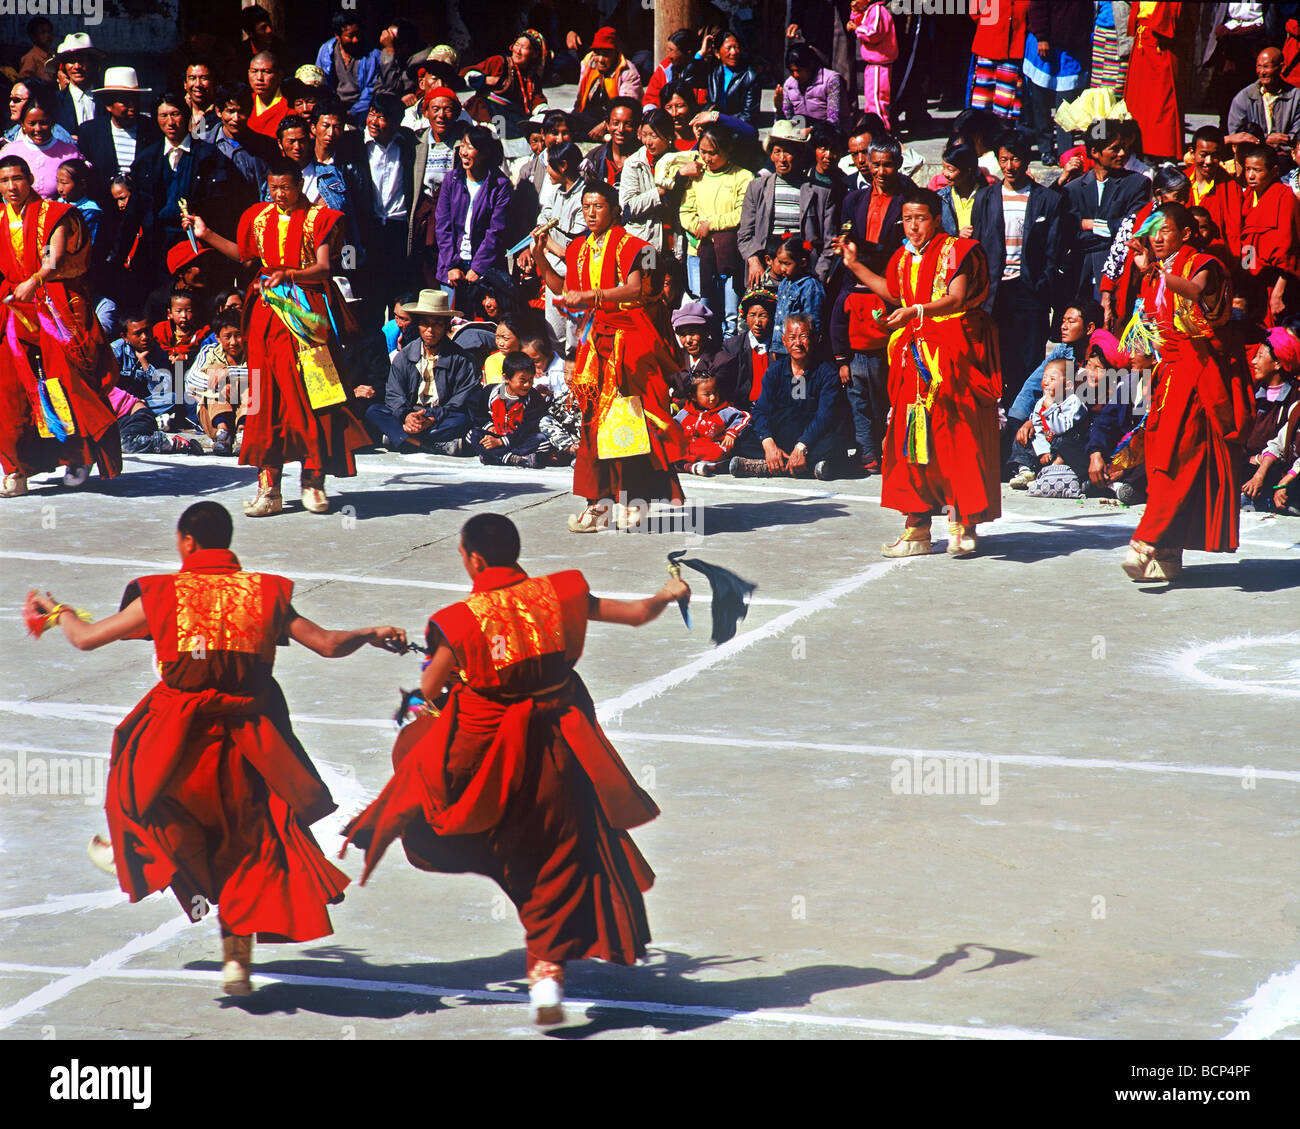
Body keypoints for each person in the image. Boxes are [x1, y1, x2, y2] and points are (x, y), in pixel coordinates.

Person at [24, 501, 407, 995]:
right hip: (251, 745)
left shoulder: (164, 593)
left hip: (177, 743)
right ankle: (236, 962)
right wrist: (372, 633)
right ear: (228, 541)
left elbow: (88, 639)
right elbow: (329, 644)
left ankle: (140, 855)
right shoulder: (263, 593)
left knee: (138, 793)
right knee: (249, 847)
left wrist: (59, 614)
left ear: (186, 541)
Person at [341, 513, 685, 1025]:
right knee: (560, 854)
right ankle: (547, 974)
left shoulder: (457, 620)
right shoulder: (561, 592)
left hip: (491, 765)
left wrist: (416, 706)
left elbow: (429, 694)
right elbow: (636, 614)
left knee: (502, 845)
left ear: (473, 558)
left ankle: (542, 966)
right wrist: (666, 593)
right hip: (562, 751)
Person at [184, 157, 370, 517]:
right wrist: (206, 234)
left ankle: (313, 480)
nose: (279, 194)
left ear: (300, 185)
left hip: (306, 316)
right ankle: (269, 487)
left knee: (313, 397)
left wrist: (290, 274)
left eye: (285, 187)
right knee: (268, 399)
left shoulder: (319, 218)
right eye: (273, 188)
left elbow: (324, 267)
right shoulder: (258, 217)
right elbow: (246, 258)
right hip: (268, 315)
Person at [839, 187, 1003, 557]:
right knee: (911, 437)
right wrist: (854, 265)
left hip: (951, 357)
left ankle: (962, 521)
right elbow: (895, 293)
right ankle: (917, 527)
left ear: (937, 218)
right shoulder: (902, 257)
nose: (913, 226)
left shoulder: (957, 251)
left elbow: (957, 299)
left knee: (954, 435)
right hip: (913, 358)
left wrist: (917, 313)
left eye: (921, 218)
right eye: (908, 219)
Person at [532, 179, 687, 532]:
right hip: (594, 345)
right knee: (592, 423)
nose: (590, 213)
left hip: (630, 341)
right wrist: (541, 253)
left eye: (598, 206)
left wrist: (589, 297)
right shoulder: (579, 248)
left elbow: (634, 288)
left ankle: (635, 500)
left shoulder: (636, 246)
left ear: (615, 210)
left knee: (631, 420)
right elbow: (564, 288)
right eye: (585, 206)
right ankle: (597, 504)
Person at [1121, 203, 1250, 581]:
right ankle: (1170, 553)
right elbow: (1151, 326)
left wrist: (1158, 272)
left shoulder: (1204, 265)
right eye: (1152, 231)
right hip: (1170, 376)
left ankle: (1147, 540)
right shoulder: (1155, 274)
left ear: (1186, 233)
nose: (1156, 239)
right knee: (1164, 458)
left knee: (1182, 458)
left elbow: (1193, 293)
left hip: (1201, 375)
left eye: (1165, 231)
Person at [0, 155, 122, 498]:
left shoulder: (54, 213)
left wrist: (35, 280)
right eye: (4, 180)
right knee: (9, 392)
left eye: (17, 178)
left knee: (63, 386)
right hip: (13, 310)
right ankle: (15, 470)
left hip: (54, 310)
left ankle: (77, 456)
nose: (11, 187)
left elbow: (54, 260)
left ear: (30, 181)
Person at [972, 128, 1063, 415]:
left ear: (1026, 161)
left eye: (1015, 159)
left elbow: (1054, 249)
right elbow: (976, 245)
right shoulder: (985, 198)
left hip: (1029, 291)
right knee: (996, 356)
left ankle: (1022, 420)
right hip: (994, 292)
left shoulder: (1047, 200)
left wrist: (1043, 285)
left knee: (1028, 360)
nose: (1010, 166)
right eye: (1004, 159)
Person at [729, 312, 846, 480]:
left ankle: (770, 466)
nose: (798, 343)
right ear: (784, 341)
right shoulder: (775, 370)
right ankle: (807, 467)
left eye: (803, 337)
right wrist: (768, 444)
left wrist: (801, 447)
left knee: (836, 440)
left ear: (814, 338)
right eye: (792, 337)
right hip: (783, 436)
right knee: (744, 440)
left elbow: (824, 416)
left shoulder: (826, 372)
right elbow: (760, 410)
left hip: (810, 439)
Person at [366, 289, 479, 455]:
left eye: (437, 324)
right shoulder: (404, 356)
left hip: (439, 417)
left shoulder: (462, 359)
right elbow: (393, 395)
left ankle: (401, 439)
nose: (430, 330)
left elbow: (461, 400)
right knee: (374, 411)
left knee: (463, 420)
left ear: (446, 325)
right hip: (410, 414)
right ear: (417, 324)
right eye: (425, 323)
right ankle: (428, 444)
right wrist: (406, 416)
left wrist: (431, 417)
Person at [738, 119, 838, 290]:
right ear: (771, 155)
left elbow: (830, 243)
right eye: (777, 152)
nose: (782, 159)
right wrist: (754, 260)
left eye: (788, 152)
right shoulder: (757, 187)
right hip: (765, 271)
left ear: (799, 154)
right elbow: (744, 235)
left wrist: (817, 278)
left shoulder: (821, 192)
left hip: (806, 273)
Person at [1059, 119, 1152, 302]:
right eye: (1115, 149)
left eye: (1124, 147)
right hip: (1080, 273)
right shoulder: (1074, 189)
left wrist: (1089, 224)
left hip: (1118, 273)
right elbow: (1070, 232)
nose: (1123, 153)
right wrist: (1110, 231)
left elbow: (1130, 227)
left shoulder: (1137, 184)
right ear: (1095, 152)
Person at [679, 124, 753, 340]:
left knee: (731, 313)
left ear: (728, 150)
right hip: (698, 252)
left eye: (713, 153)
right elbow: (685, 211)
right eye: (703, 152)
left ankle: (730, 360)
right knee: (704, 308)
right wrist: (698, 230)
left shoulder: (743, 176)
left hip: (729, 253)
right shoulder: (697, 174)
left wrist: (710, 224)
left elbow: (741, 213)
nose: (707, 158)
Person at [433, 125, 512, 314]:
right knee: (452, 324)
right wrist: (451, 265)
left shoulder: (500, 185)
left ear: (484, 153)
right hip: (452, 266)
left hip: (485, 267)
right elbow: (442, 226)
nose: (464, 152)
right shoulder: (451, 180)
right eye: (463, 145)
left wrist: (478, 268)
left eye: (470, 147)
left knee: (483, 324)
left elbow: (496, 231)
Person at [75, 68, 161, 207]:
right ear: (109, 105)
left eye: (135, 100)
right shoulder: (90, 132)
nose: (132, 107)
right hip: (104, 208)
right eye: (125, 102)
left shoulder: (151, 129)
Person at [1021, 1, 1090, 165]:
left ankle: (1065, 152)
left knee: (1066, 106)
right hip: (1045, 48)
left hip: (1072, 50)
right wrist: (1041, 36)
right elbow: (1037, 8)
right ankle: (1045, 148)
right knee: (1040, 103)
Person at [1006, 357, 1089, 491]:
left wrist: (1050, 408)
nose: (1046, 382)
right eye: (1044, 377)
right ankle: (1025, 471)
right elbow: (1037, 427)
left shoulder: (1073, 402)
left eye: (1052, 379)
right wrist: (1042, 450)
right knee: (1023, 435)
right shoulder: (1042, 401)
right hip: (1045, 445)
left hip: (1061, 448)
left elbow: (1061, 428)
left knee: (1065, 439)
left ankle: (1051, 473)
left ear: (1067, 385)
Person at [1240, 144, 1300, 326]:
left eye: (1257, 170)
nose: (1251, 176)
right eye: (1248, 169)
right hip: (1255, 282)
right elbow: (1247, 241)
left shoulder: (1284, 197)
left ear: (1274, 171)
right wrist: (1245, 277)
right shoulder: (1249, 197)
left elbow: (1289, 250)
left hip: (1279, 284)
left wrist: (1278, 293)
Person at [468, 351, 553, 468]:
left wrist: (501, 442)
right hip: (495, 434)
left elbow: (526, 427)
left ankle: (494, 456)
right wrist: (489, 426)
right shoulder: (494, 392)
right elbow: (476, 409)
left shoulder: (533, 398)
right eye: (522, 380)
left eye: (531, 380)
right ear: (506, 378)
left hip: (518, 438)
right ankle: (511, 458)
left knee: (542, 441)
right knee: (473, 434)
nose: (527, 385)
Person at [1124, 1, 1183, 162]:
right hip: (1143, 37)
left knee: (1163, 99)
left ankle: (1163, 151)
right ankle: (1138, 146)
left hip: (1161, 42)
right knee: (1139, 99)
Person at [0, 92, 82, 201]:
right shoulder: (9, 152)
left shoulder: (70, 153)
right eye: (32, 123)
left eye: (43, 123)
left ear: (52, 123)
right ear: (23, 124)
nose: (38, 129)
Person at [461, 30, 549, 131]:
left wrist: (543, 113)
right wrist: (484, 80)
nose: (518, 50)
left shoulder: (532, 78)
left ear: (534, 54)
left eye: (523, 47)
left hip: (510, 117)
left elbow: (537, 100)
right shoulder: (499, 62)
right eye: (517, 45)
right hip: (485, 115)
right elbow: (467, 74)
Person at [675, 371, 753, 475]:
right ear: (693, 396)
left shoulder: (724, 412)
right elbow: (673, 425)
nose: (713, 397)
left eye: (715, 393)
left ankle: (687, 466)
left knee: (716, 453)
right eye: (707, 394)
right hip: (691, 449)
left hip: (713, 449)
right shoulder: (685, 413)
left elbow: (744, 417)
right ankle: (691, 466)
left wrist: (732, 433)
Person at [1226, 47, 1300, 155]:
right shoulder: (1244, 97)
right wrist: (1265, 140)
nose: (1262, 72)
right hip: (1252, 156)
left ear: (1281, 68)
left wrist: (1283, 143)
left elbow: (1297, 132)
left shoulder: (1296, 97)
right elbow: (1236, 133)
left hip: (1287, 156)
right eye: (1259, 66)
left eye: (1266, 67)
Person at [573, 27, 644, 138]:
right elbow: (580, 100)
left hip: (613, 120)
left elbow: (628, 108)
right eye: (597, 53)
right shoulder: (588, 64)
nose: (600, 59)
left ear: (615, 53)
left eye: (606, 54)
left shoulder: (627, 71)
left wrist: (605, 124)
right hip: (588, 116)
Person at [681, 29, 760, 126]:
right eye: (729, 48)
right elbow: (686, 79)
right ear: (717, 53)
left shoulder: (750, 75)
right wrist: (702, 52)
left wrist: (716, 118)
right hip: (714, 128)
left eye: (736, 47)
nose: (734, 52)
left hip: (738, 130)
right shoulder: (713, 71)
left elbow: (749, 117)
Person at [315, 13, 383, 125]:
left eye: (358, 35)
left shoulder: (373, 56)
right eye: (350, 36)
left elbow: (371, 89)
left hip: (362, 108)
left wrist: (352, 113)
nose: (355, 40)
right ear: (338, 36)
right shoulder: (326, 51)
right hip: (333, 106)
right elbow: (321, 83)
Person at [967, 0, 1030, 119]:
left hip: (1013, 49)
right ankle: (981, 133)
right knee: (982, 100)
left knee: (1006, 100)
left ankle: (1002, 134)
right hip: (988, 44)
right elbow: (975, 11)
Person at [768, 234, 826, 356]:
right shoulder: (784, 283)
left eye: (787, 263)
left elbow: (813, 322)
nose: (782, 268)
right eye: (780, 262)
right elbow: (779, 318)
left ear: (802, 262)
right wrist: (776, 346)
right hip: (781, 348)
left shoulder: (810, 286)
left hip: (798, 350)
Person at [774, 41, 847, 131]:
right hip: (800, 131)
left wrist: (810, 131)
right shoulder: (789, 85)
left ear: (811, 65)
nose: (795, 75)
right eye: (792, 71)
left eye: (799, 70)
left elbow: (834, 120)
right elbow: (787, 121)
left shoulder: (831, 80)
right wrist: (778, 108)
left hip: (828, 132)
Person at [848, 0, 899, 126]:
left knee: (877, 101)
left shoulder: (877, 10)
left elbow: (874, 33)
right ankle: (873, 127)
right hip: (873, 65)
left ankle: (881, 129)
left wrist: (857, 29)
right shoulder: (870, 10)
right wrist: (856, 13)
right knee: (871, 99)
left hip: (879, 65)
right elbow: (863, 22)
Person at [579, 97, 641, 188]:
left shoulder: (644, 158)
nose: (620, 129)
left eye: (628, 124)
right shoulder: (595, 158)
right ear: (607, 125)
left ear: (637, 126)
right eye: (615, 123)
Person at [247, 51, 289, 139]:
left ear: (279, 75)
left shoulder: (289, 104)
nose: (259, 78)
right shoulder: (244, 102)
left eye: (266, 72)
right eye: (254, 71)